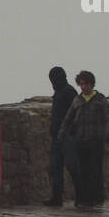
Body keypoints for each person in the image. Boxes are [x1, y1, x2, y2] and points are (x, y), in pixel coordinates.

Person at [57, 70, 109, 210]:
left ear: (91, 84)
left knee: (96, 170)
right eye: (81, 84)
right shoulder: (77, 100)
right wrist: (62, 133)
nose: (83, 87)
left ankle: (97, 197)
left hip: (96, 140)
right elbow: (68, 118)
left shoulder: (100, 99)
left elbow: (108, 119)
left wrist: (107, 134)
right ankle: (85, 198)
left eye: (85, 84)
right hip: (81, 140)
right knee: (83, 171)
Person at [43, 66, 79, 206]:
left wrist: (70, 132)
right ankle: (57, 197)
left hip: (68, 137)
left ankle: (80, 195)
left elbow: (75, 114)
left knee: (73, 167)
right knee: (56, 167)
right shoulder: (58, 92)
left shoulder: (69, 92)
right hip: (56, 137)